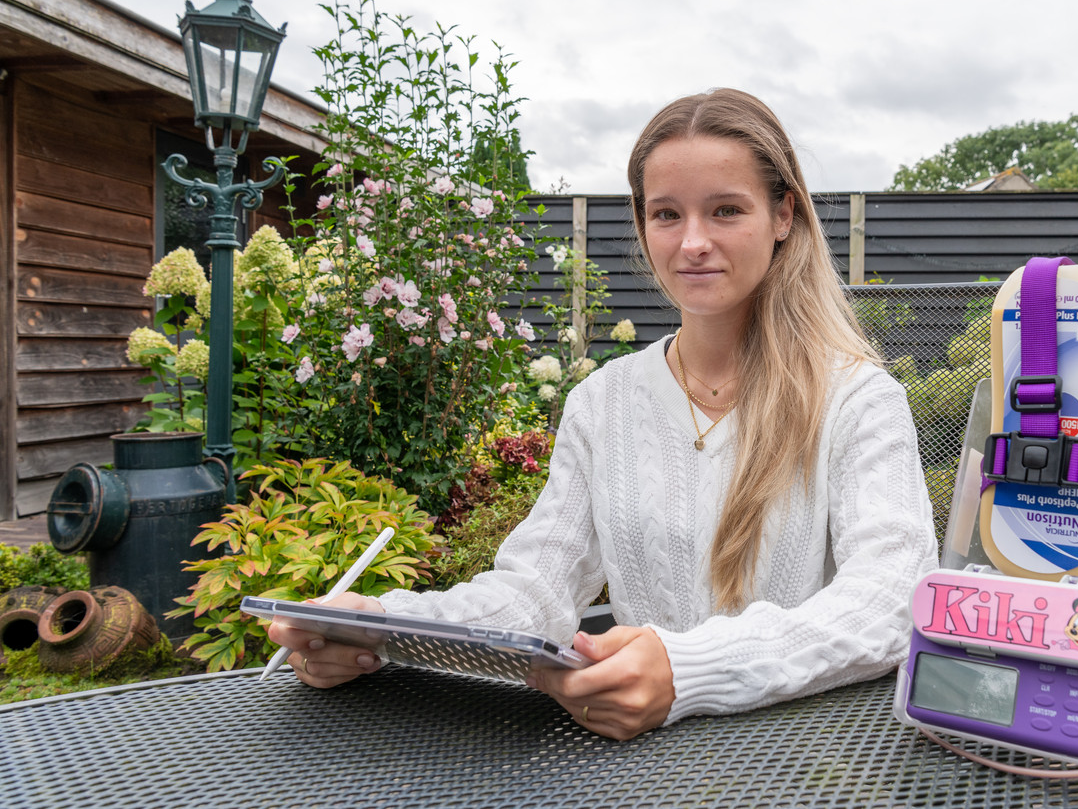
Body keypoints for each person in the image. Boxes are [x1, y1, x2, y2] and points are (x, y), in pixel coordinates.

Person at [266, 87, 939, 740]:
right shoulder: (604, 401)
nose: (692, 241)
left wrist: (687, 669)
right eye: (666, 213)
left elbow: (887, 601)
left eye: (726, 210)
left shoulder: (856, 400)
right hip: (638, 764)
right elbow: (536, 591)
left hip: (809, 759)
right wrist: (381, 625)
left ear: (783, 216)